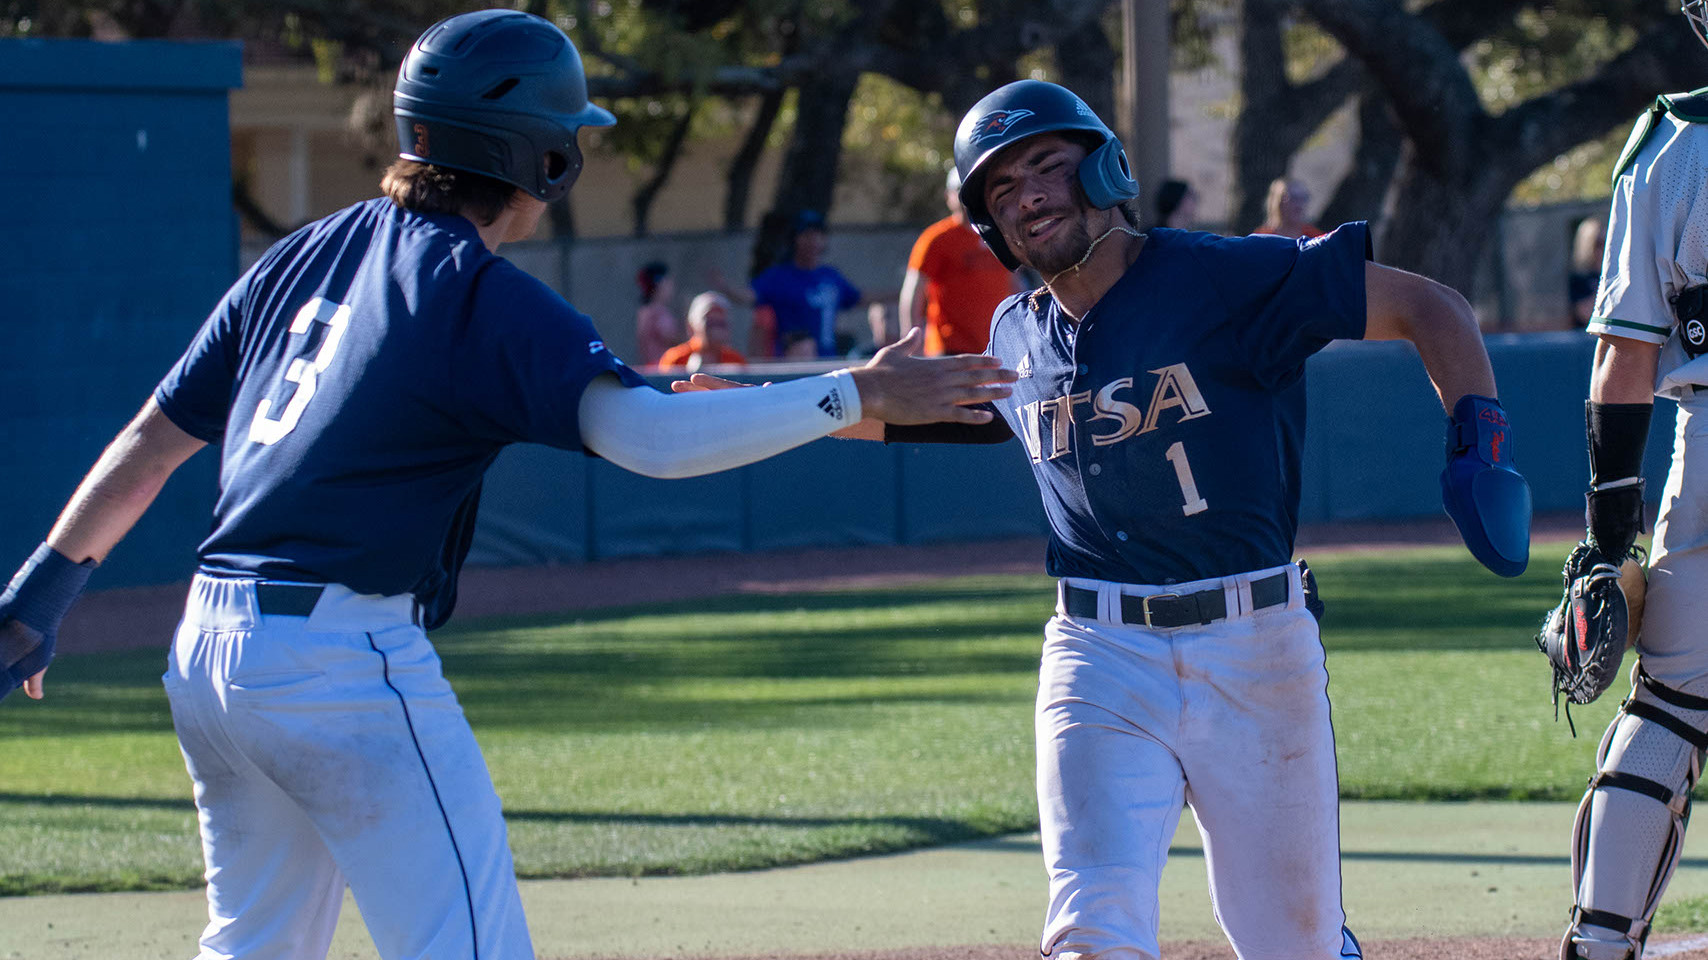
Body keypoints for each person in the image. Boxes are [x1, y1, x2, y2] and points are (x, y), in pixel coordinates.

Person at [0, 12, 1014, 960]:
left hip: (207, 650)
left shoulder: (304, 252)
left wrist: (38, 598)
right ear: (545, 160)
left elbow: (150, 442)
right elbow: (650, 441)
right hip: (335, 660)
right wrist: (852, 392)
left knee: (252, 946)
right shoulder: (477, 290)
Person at [680, 79, 1531, 960]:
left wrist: (1481, 446)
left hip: (1256, 644)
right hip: (1098, 651)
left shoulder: (1228, 275)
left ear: (1105, 168)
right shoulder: (1017, 333)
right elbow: (914, 412)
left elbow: (1431, 307)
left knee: (1294, 944)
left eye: (1046, 166)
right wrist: (765, 407)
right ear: (988, 227)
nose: (1026, 196)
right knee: (1092, 929)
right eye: (1001, 189)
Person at [1545, 6, 1708, 955]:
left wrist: (1610, 544)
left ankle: (1601, 944)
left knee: (1671, 711)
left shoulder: (1674, 143)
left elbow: (1624, 359)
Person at [899, 167, 1021, 356]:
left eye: (970, 189)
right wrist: (911, 347)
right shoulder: (936, 239)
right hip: (949, 349)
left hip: (995, 345)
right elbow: (914, 292)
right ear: (948, 196)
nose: (965, 197)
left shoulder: (997, 235)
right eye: (959, 190)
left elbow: (1014, 284)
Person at [748, 210, 879, 359]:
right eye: (806, 235)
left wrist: (899, 294)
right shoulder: (778, 277)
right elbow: (749, 297)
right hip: (793, 361)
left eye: (818, 235)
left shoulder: (830, 276)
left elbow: (859, 298)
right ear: (794, 239)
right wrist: (726, 288)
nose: (813, 241)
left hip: (826, 361)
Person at [657, 291, 746, 372]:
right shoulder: (677, 359)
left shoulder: (735, 361)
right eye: (709, 321)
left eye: (721, 322)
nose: (716, 327)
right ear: (691, 326)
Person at [634, 260, 682, 366]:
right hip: (661, 367)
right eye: (668, 282)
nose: (671, 287)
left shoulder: (645, 311)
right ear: (659, 284)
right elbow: (672, 338)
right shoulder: (656, 312)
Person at [1254, 176, 1324, 239]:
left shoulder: (1315, 238)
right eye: (1293, 198)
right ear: (1278, 202)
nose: (1299, 205)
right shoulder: (1262, 238)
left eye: (1303, 198)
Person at [1569, 216, 1608, 329]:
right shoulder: (1579, 279)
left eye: (1607, 242)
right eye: (1599, 244)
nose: (1604, 248)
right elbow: (1584, 314)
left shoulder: (1616, 275)